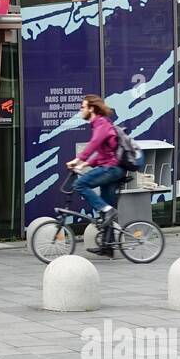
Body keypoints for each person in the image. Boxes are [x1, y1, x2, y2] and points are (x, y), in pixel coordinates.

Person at [67, 94, 124, 258]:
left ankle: (107, 210)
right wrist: (85, 164)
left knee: (80, 185)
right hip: (113, 168)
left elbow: (94, 144)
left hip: (112, 169)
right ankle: (108, 246)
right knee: (106, 208)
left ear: (91, 108)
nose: (81, 110)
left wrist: (78, 159)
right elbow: (104, 152)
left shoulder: (101, 123)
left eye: (82, 107)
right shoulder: (101, 124)